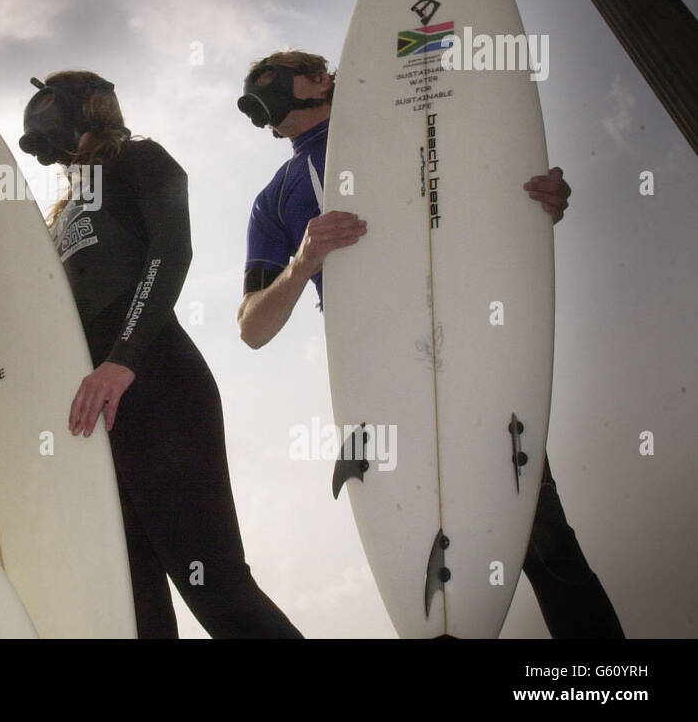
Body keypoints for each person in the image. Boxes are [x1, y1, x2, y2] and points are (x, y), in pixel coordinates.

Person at [235, 49, 625, 638]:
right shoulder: (274, 199)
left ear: (320, 81)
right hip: (382, 390)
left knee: (544, 546)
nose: (260, 97)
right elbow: (252, 328)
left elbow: (506, 196)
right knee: (430, 578)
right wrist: (301, 264)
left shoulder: (416, 128)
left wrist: (540, 198)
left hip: (472, 360)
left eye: (271, 82)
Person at [17, 71, 300, 638]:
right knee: (135, 607)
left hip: (156, 383)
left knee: (214, 585)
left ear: (83, 109)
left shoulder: (141, 160)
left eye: (50, 112)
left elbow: (171, 252)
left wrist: (124, 358)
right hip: (96, 412)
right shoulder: (61, 216)